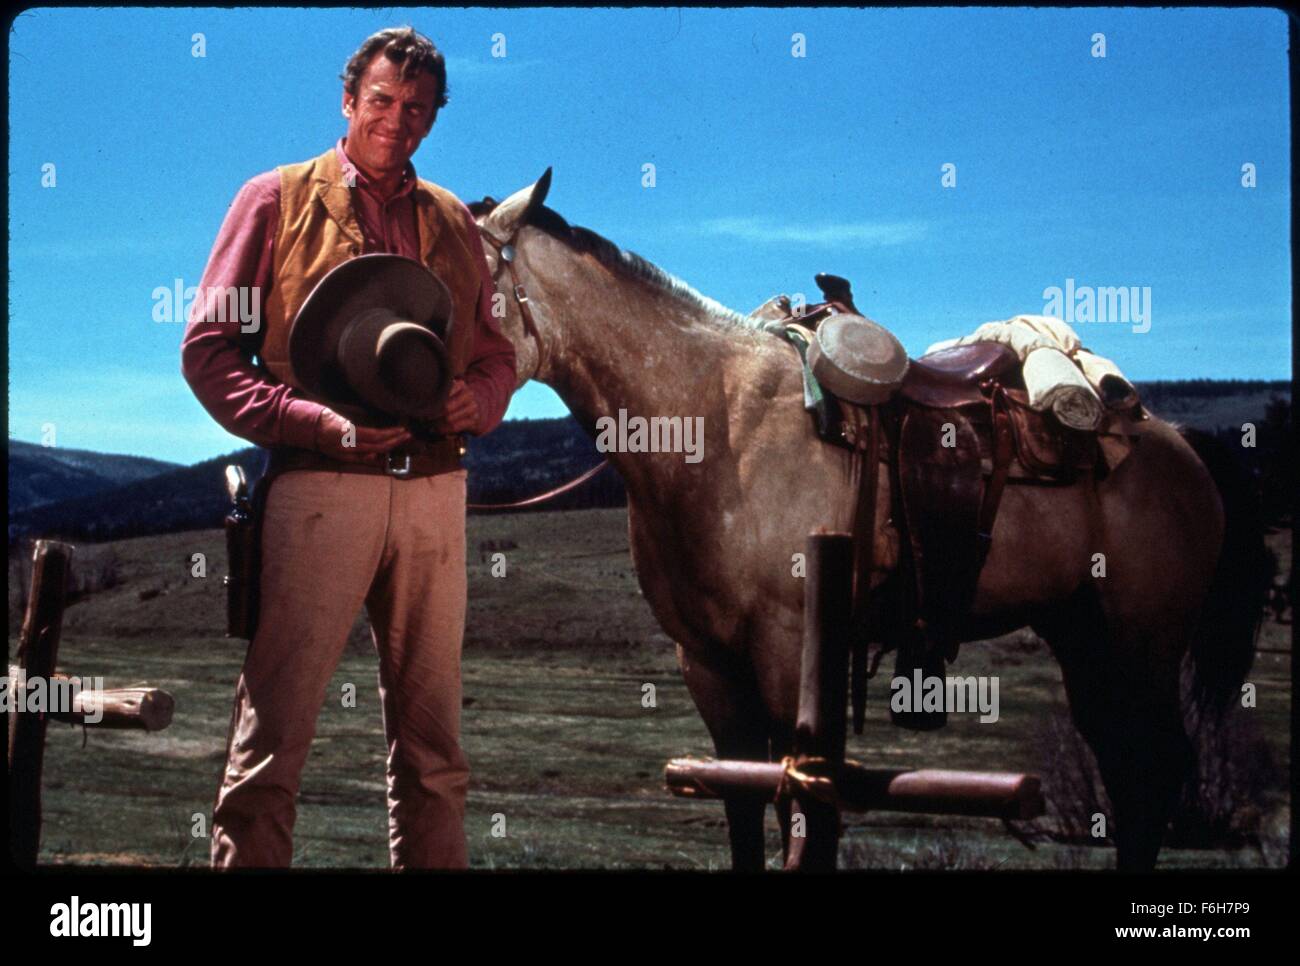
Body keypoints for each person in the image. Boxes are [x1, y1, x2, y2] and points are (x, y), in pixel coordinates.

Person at [180, 26, 516, 869]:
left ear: (434, 119)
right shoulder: (275, 198)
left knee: (436, 757)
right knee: (271, 747)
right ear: (347, 101)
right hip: (321, 486)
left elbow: (496, 353)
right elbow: (209, 353)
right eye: (381, 102)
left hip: (438, 491)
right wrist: (308, 420)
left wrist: (478, 398)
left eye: (417, 109)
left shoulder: (455, 222)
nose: (397, 122)